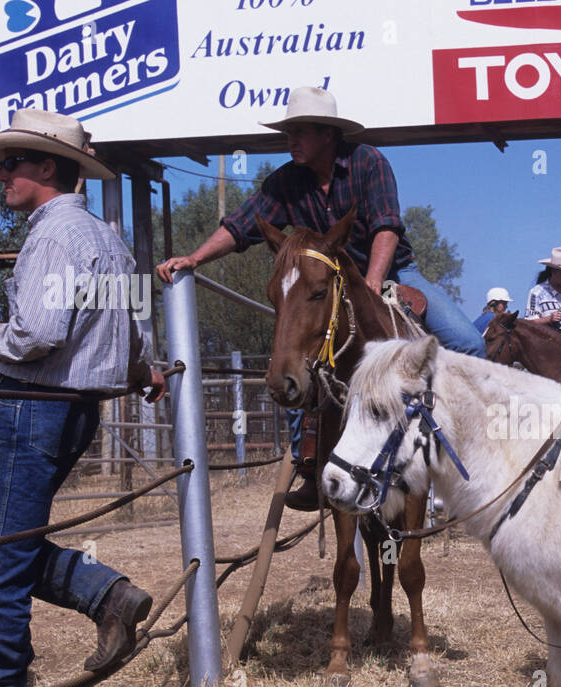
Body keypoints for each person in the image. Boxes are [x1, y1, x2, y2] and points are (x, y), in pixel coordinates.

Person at [156, 87, 485, 510]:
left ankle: (456, 457)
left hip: (392, 271)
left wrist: (372, 283)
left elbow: (387, 227)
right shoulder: (285, 181)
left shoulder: (368, 162)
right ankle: (311, 467)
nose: (291, 140)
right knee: (300, 363)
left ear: (328, 134)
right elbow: (241, 226)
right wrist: (195, 257)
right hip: (325, 286)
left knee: (467, 343)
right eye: (289, 132)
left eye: (301, 131)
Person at [0, 108, 166, 687]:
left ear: (46, 167)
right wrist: (141, 369)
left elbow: (41, 332)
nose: (2, 176)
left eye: (12, 163)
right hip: (78, 409)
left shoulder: (51, 239)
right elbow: (135, 329)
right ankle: (106, 594)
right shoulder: (108, 238)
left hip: (30, 404)